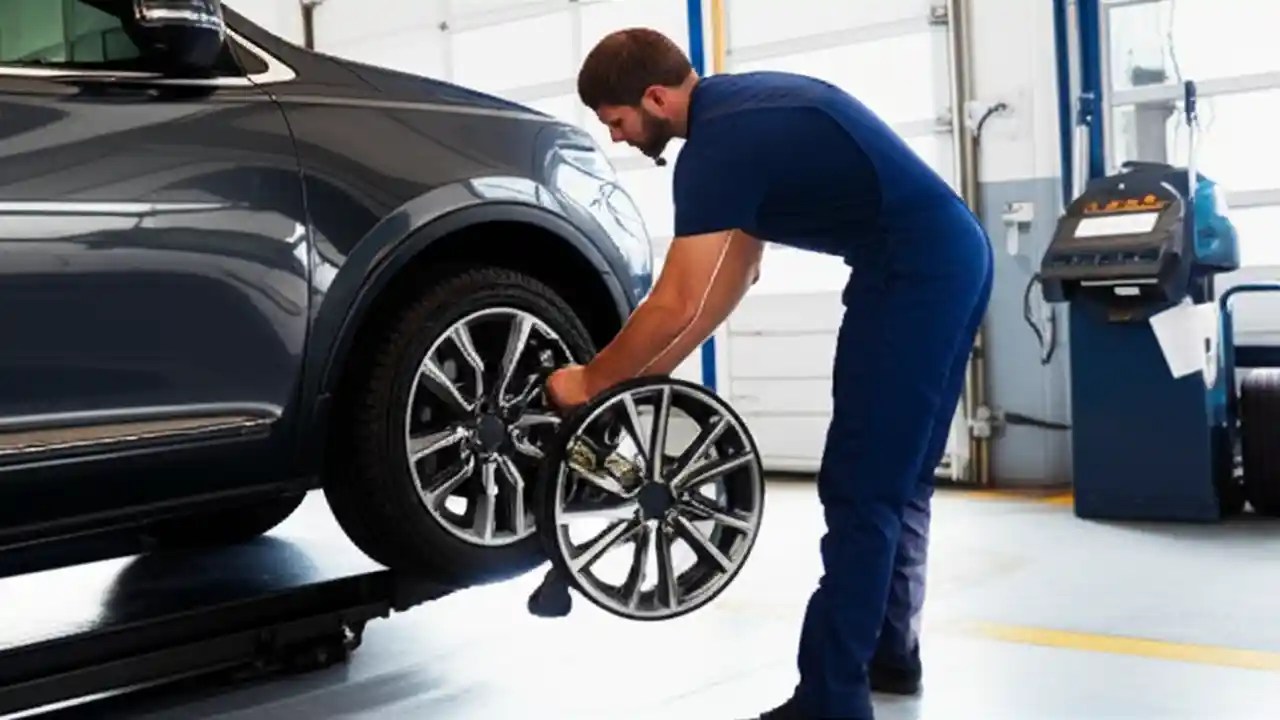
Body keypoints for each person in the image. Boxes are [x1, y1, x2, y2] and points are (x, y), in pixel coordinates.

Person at [545, 28, 993, 720]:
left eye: (618, 121)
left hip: (915, 274)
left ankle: (831, 700)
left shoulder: (716, 149)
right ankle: (889, 655)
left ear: (655, 98)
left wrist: (591, 383)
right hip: (949, 256)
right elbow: (728, 283)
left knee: (862, 486)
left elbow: (674, 301)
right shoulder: (739, 115)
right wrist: (632, 387)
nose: (618, 138)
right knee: (897, 482)